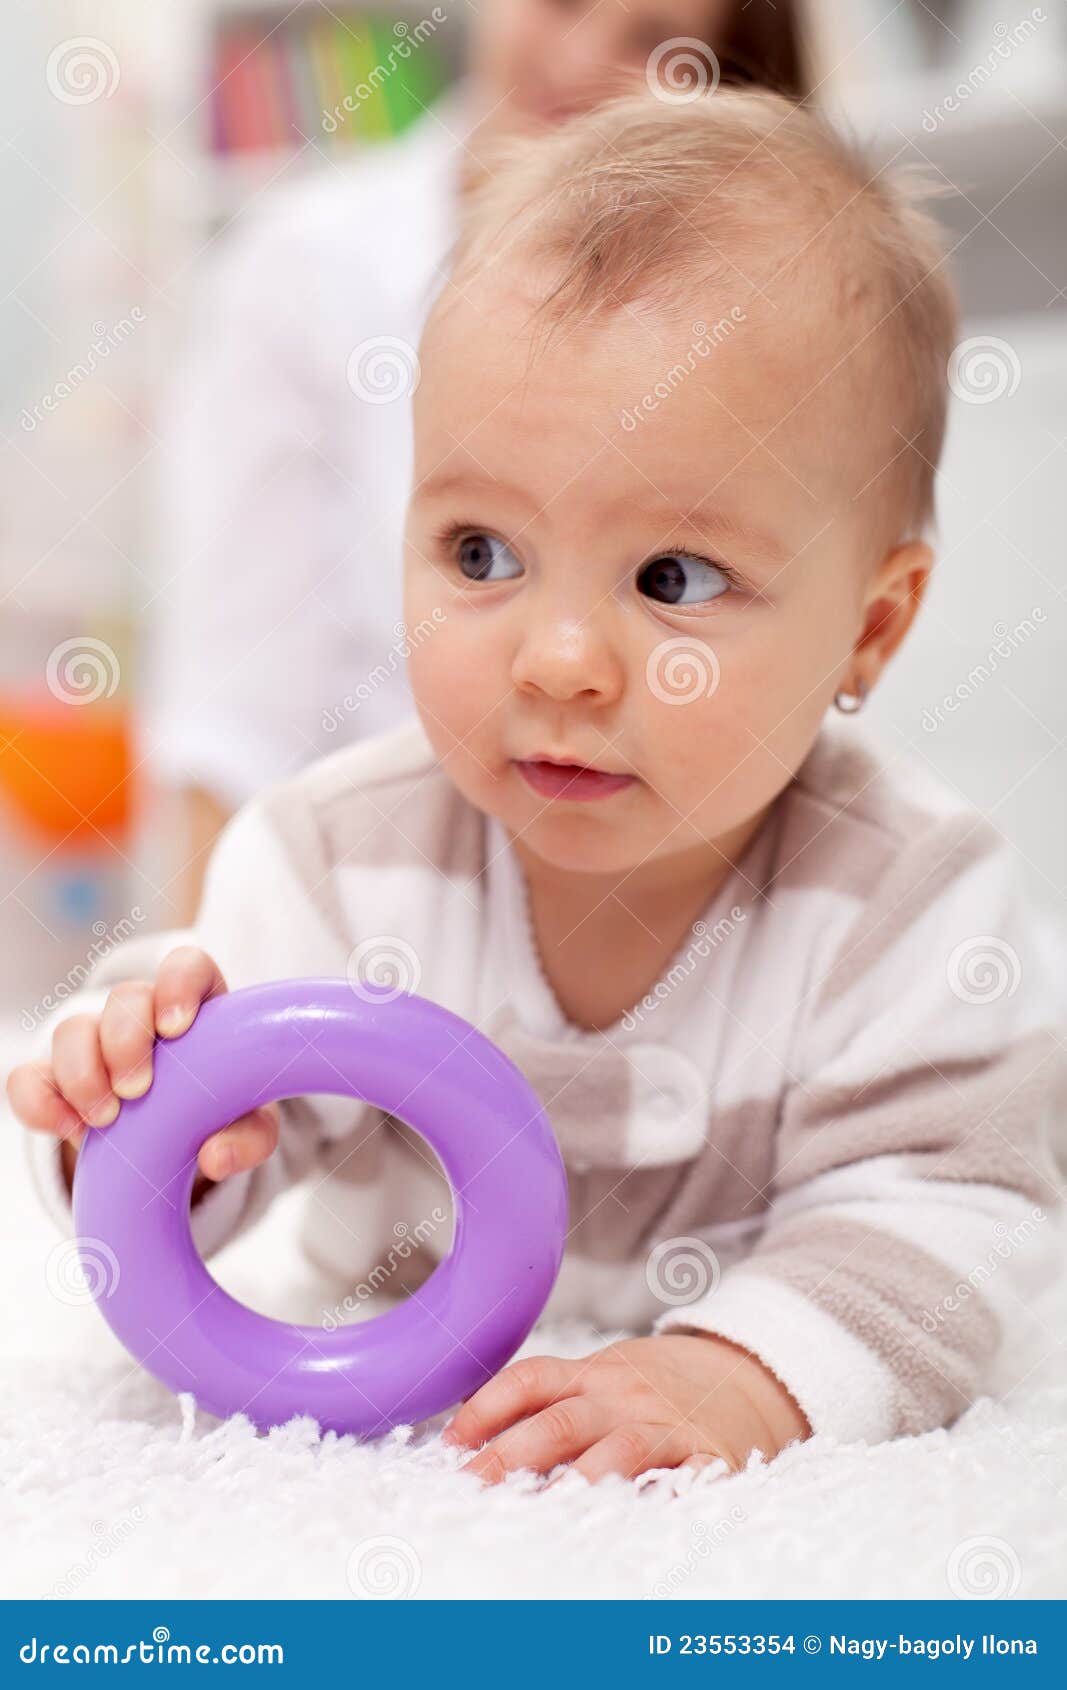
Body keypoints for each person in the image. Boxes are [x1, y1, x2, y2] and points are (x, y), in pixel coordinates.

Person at [17, 88, 1060, 1486]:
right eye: (480, 553)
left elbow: (955, 1204)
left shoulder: (906, 901)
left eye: (671, 579)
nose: (558, 660)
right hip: (383, 1402)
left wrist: (736, 1373)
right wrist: (148, 1113)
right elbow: (192, 1168)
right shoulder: (333, 859)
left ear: (868, 628)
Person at [147, 0, 810, 922]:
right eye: (564, 3)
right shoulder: (304, 269)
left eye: (654, 39)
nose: (582, 60)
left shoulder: (756, 318)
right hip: (361, 922)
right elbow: (234, 713)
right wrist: (211, 1004)